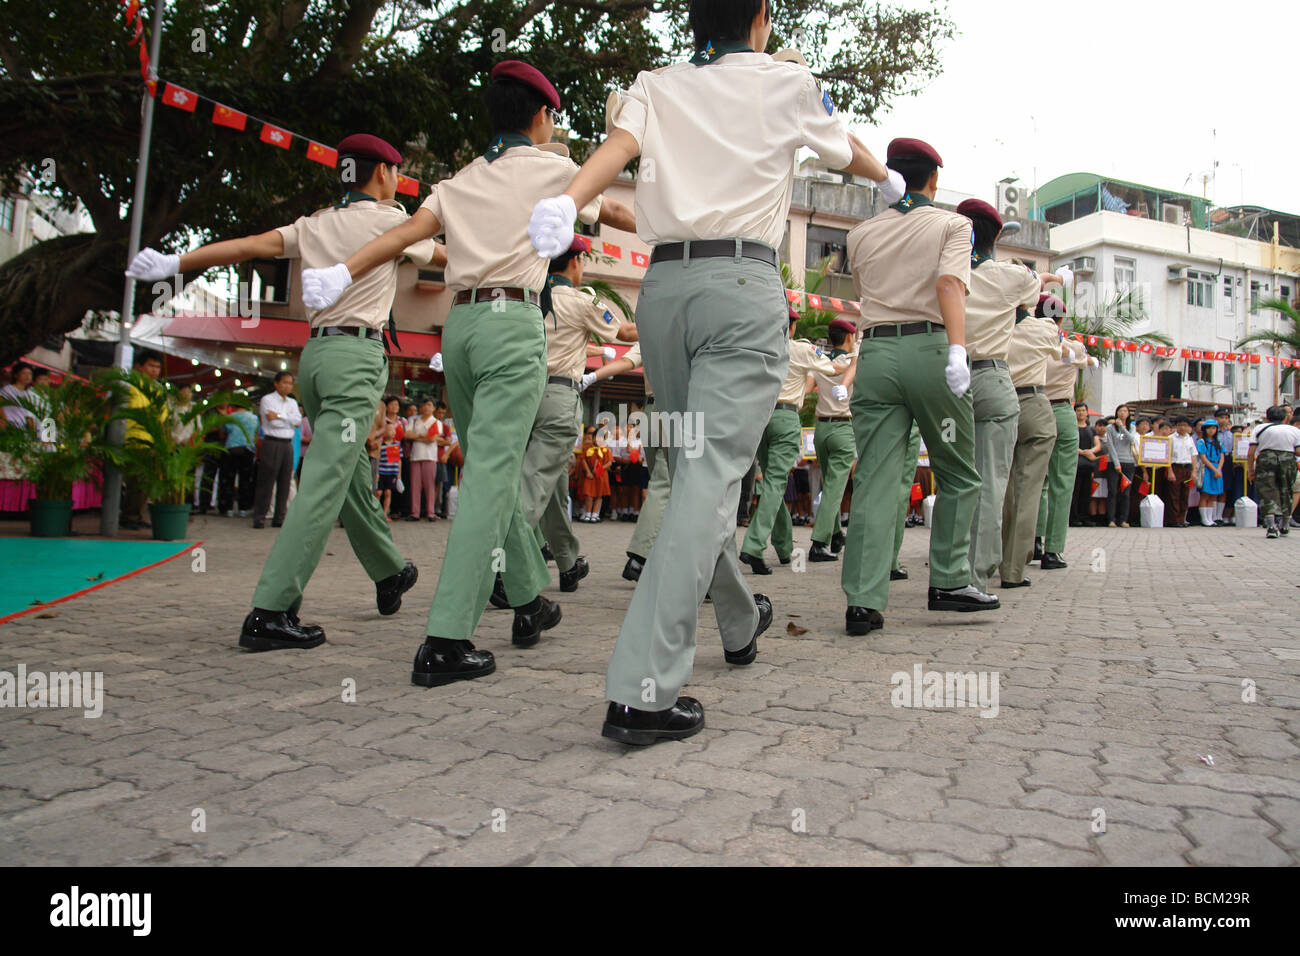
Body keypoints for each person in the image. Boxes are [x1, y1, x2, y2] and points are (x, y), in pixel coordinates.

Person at [527, 3, 901, 744]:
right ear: (761, 17)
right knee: (707, 477)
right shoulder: (785, 81)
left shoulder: (657, 81)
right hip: (739, 288)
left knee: (699, 468)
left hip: (664, 295)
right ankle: (643, 690)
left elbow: (618, 145)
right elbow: (843, 150)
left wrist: (565, 199)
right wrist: (887, 177)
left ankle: (737, 617)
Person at [304, 61, 636, 684]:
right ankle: (446, 639)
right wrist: (674, 227)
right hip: (511, 326)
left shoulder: (459, 181)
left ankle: (528, 596)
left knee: (492, 469)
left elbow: (407, 232)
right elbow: (612, 213)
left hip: (457, 329)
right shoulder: (555, 170)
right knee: (489, 476)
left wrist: (342, 273)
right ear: (541, 116)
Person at [126, 132, 429, 650]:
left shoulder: (314, 224)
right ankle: (269, 610)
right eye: (397, 173)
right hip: (356, 358)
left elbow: (247, 246)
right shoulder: (393, 220)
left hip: (314, 360)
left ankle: (389, 570)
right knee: (323, 483)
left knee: (350, 471)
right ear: (383, 173)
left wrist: (178, 264)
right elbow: (442, 253)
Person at [840, 136, 995, 634]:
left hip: (878, 357)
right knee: (957, 471)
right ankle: (949, 580)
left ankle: (863, 600)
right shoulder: (955, 224)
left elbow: (867, 297)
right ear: (933, 179)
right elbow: (949, 284)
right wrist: (957, 349)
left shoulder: (859, 235)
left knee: (876, 480)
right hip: (932, 355)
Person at [519, 234, 634, 590]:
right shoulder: (582, 300)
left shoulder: (528, 298)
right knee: (536, 483)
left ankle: (567, 562)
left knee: (551, 483)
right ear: (575, 262)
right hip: (558, 396)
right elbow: (624, 331)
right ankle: (505, 561)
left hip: (523, 396)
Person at [955, 198, 1059, 593]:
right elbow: (1041, 282)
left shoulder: (944, 272)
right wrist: (1051, 277)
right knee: (993, 484)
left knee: (954, 481)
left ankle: (947, 570)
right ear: (996, 236)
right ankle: (976, 577)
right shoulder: (1009, 278)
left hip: (950, 381)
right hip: (994, 383)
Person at [743, 306, 850, 571]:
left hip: (760, 418)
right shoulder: (801, 349)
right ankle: (753, 546)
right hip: (786, 417)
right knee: (776, 484)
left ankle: (783, 546)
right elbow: (836, 369)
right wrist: (855, 359)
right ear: (791, 327)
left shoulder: (758, 349)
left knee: (771, 483)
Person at [998, 293, 1067, 588]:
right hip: (1034, 405)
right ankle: (1013, 571)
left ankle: (984, 562)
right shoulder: (1045, 328)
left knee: (999, 490)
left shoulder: (993, 327)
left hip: (998, 403)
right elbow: (1057, 347)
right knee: (1029, 493)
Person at [1036, 331, 1094, 568]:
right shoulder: (1074, 346)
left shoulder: (1026, 337)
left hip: (1035, 406)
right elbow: (1090, 361)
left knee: (1034, 481)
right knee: (1062, 482)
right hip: (1061, 409)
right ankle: (1053, 550)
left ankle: (1032, 541)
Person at [808, 318, 859, 560]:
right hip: (843, 427)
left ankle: (836, 534)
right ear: (850, 338)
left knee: (830, 485)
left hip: (821, 430)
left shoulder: (821, 362)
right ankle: (818, 543)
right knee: (834, 489)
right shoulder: (854, 362)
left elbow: (808, 388)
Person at [251, 371, 302, 529]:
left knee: (285, 481)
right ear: (276, 383)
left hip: (287, 443)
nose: (287, 386)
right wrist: (287, 418)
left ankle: (279, 517)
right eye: (284, 382)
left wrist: (279, 416)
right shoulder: (267, 400)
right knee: (267, 481)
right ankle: (260, 516)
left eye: (290, 383)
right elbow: (272, 423)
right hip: (271, 442)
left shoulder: (292, 402)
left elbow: (298, 421)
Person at [1246, 405, 1300, 538]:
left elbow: (1251, 452)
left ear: (1267, 417)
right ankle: (1285, 524)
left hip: (1266, 459)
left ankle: (1271, 526)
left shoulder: (1259, 428)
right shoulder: (1294, 430)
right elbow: (1298, 450)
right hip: (1288, 459)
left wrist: (1250, 470)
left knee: (1266, 490)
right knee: (1287, 489)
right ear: (1285, 417)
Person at [1103, 403, 1138, 527]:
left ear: (1128, 414)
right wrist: (1116, 463)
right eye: (1120, 411)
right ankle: (1111, 519)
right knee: (1112, 491)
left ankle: (1123, 519)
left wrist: (1122, 427)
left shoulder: (1131, 427)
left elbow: (1131, 440)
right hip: (1113, 462)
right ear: (1116, 413)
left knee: (1126, 493)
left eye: (1125, 411)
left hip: (1128, 462)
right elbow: (1110, 446)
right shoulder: (1110, 428)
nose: (1122, 413)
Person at [406, 398, 441, 521]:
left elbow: (432, 439)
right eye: (424, 405)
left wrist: (416, 437)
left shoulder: (436, 422)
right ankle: (415, 513)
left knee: (429, 485)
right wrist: (421, 436)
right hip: (415, 456)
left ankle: (430, 513)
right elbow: (407, 434)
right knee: (415, 486)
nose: (426, 407)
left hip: (430, 457)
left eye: (429, 405)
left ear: (433, 408)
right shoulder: (414, 420)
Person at [1166, 417, 1197, 527]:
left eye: (1185, 425)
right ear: (1176, 426)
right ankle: (1173, 520)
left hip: (1186, 468)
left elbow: (1193, 456)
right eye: (1180, 425)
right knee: (1174, 495)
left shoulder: (1189, 438)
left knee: (1185, 495)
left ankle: (1181, 519)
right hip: (1175, 467)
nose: (1182, 427)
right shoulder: (1171, 438)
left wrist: (1194, 471)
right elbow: (1167, 456)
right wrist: (1170, 471)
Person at [1196, 418, 1226, 526]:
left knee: (1214, 495)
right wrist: (1214, 470)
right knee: (1205, 494)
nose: (1211, 430)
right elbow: (1203, 458)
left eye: (1214, 428)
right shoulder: (1201, 442)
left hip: (1218, 468)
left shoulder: (1218, 442)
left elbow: (1222, 457)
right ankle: (1204, 519)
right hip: (1207, 469)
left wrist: (1218, 469)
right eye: (1208, 428)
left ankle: (1210, 518)